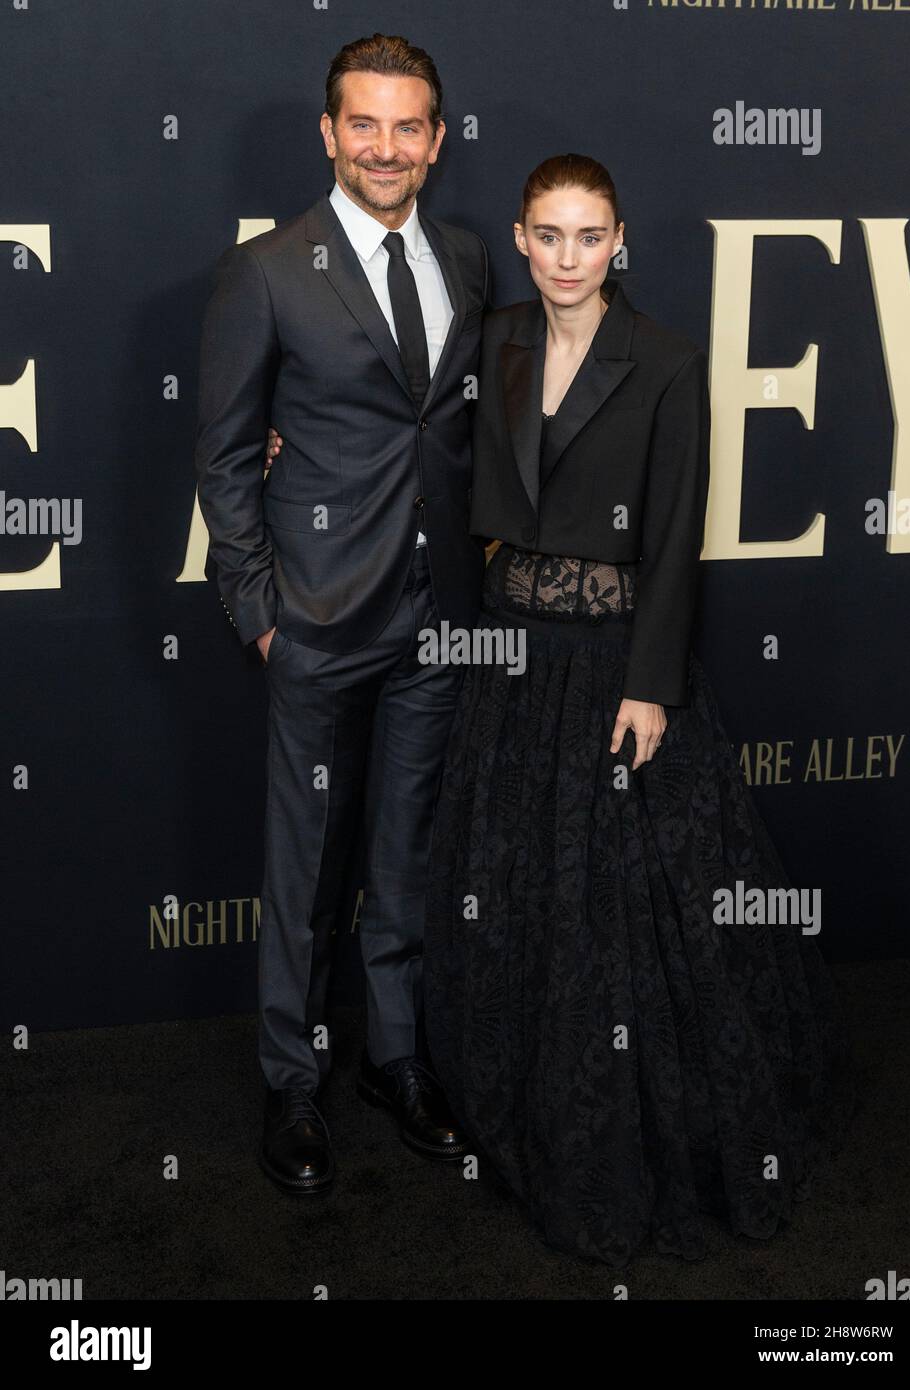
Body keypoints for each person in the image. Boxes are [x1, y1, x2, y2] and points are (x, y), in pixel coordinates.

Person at [421, 154, 857, 1266]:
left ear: (620, 240)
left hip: (612, 662)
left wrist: (650, 683)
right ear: (521, 238)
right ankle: (508, 1106)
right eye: (548, 235)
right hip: (508, 659)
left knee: (615, 911)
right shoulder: (496, 339)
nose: (568, 258)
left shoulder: (664, 359)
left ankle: (631, 1138)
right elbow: (426, 446)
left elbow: (675, 536)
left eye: (589, 235)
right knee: (515, 891)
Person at [195, 34, 489, 1195]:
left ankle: (397, 1058)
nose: (384, 146)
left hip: (437, 615)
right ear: (328, 134)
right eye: (362, 124)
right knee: (305, 866)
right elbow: (222, 457)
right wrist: (259, 608)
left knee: (407, 850)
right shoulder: (267, 271)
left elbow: (457, 427)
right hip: (315, 617)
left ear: (436, 139)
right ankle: (292, 1080)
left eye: (406, 125)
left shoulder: (466, 258)